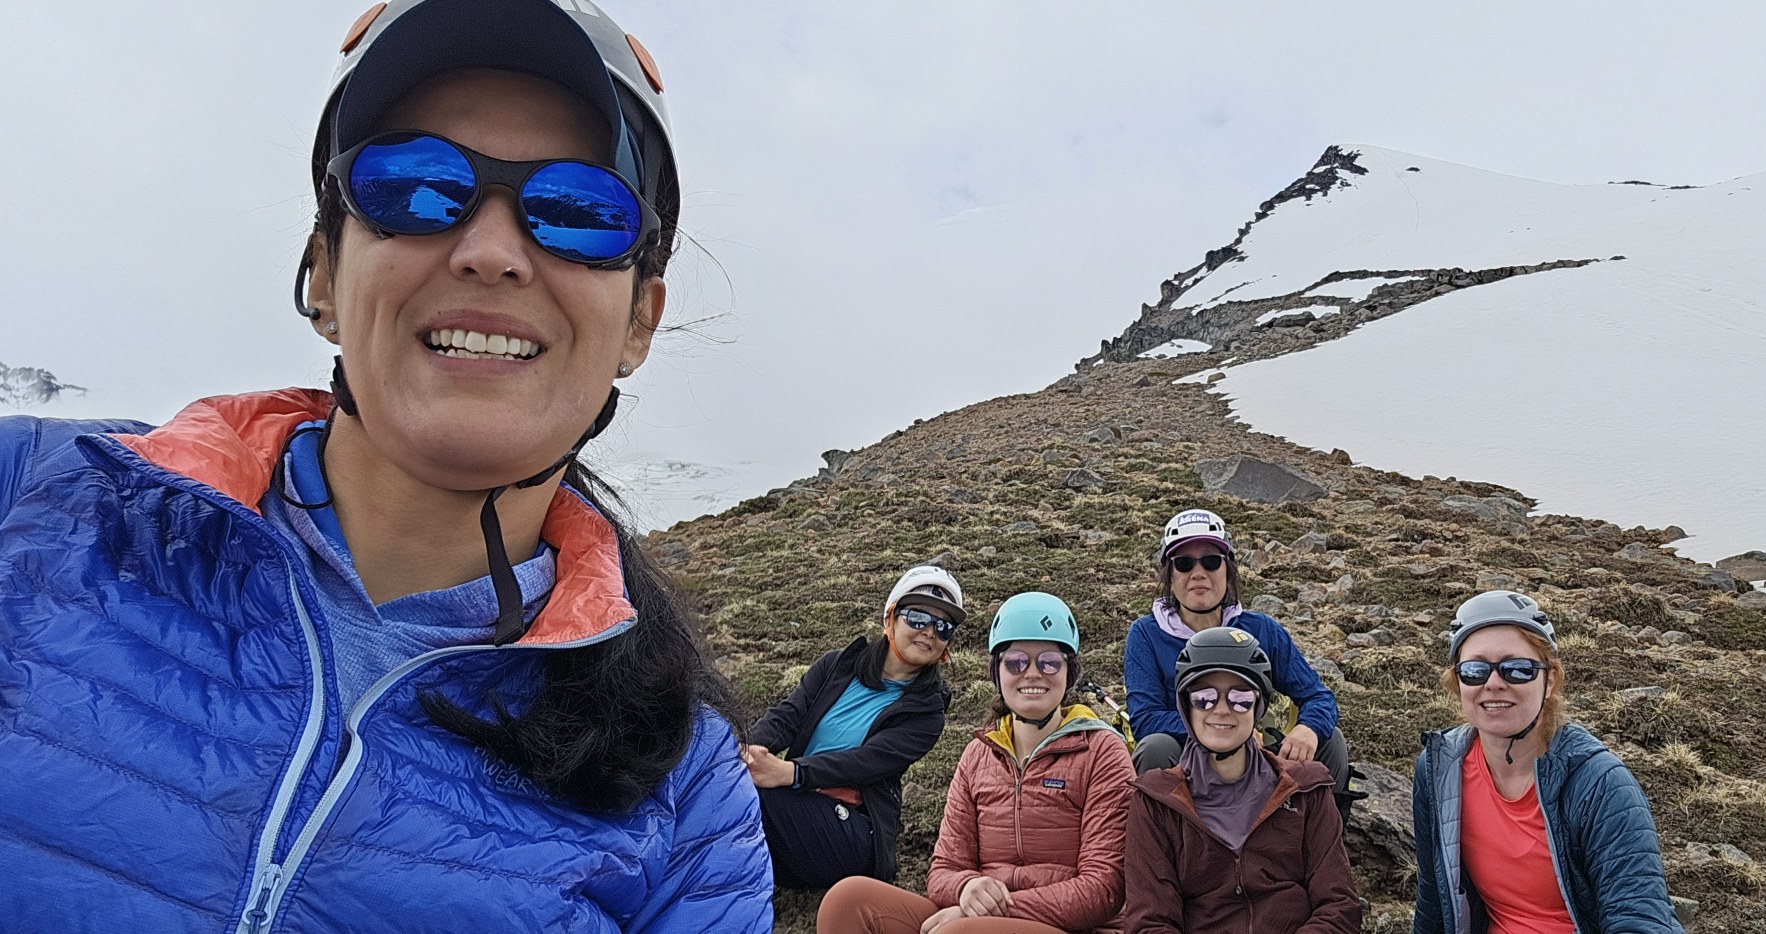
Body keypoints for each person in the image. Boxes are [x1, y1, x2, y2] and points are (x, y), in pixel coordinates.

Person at [0, 1, 771, 930]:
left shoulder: (689, 795)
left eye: (579, 211)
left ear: (639, 323)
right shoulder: (28, 494)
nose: (491, 253)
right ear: (324, 274)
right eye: (413, 186)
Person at [818, 592, 1135, 934]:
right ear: (997, 672)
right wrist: (966, 887)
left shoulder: (1102, 751)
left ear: (1069, 673)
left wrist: (989, 913)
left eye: (1049, 662)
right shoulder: (978, 755)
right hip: (972, 921)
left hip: (1071, 926)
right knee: (848, 901)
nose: (1032, 674)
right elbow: (944, 870)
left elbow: (1103, 888)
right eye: (1015, 662)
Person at [1412, 591, 1684, 934]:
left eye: (1517, 669)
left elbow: (1639, 918)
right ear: (1458, 681)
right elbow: (1433, 906)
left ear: (1549, 679)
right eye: (1475, 670)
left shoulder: (1600, 784)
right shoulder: (1439, 770)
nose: (1493, 684)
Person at [1124, 627, 1363, 933]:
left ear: (1258, 706)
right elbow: (1150, 922)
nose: (1222, 710)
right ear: (1186, 706)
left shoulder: (1306, 790)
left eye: (1240, 698)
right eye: (1204, 698)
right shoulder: (1155, 803)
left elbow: (1339, 905)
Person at [744, 565, 960, 889]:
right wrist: (746, 752)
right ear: (889, 618)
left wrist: (790, 773)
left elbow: (863, 763)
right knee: (725, 781)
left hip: (852, 833)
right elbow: (787, 716)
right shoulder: (837, 666)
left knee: (753, 796)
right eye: (918, 618)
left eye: (943, 627)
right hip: (799, 805)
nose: (929, 631)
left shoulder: (927, 713)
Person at [1123, 509, 1352, 797]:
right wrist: (1222, 730)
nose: (1198, 574)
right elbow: (1146, 719)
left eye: (1211, 561)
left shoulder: (1262, 629)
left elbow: (1318, 696)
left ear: (1228, 571)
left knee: (1331, 740)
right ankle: (1170, 824)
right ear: (1169, 575)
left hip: (1258, 756)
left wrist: (1309, 729)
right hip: (1188, 758)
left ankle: (1323, 823)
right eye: (1183, 563)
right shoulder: (1145, 635)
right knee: (1155, 747)